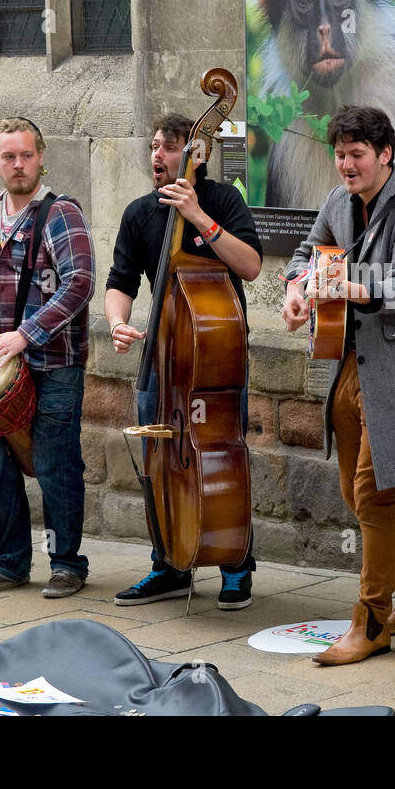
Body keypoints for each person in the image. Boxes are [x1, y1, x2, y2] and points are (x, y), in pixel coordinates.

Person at [281, 105, 395, 666]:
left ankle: (372, 620)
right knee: (356, 494)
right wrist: (296, 286)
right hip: (346, 364)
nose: (346, 165)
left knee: (373, 495)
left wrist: (333, 283)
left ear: (386, 154)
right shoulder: (338, 202)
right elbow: (308, 252)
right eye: (340, 154)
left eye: (357, 155)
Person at [105, 113, 263, 610]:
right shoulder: (139, 213)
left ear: (196, 155)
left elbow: (251, 266)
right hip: (161, 362)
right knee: (159, 466)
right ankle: (167, 562)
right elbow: (120, 281)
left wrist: (198, 217)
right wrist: (118, 323)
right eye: (154, 146)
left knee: (224, 457)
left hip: (213, 367)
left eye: (170, 147)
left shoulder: (221, 201)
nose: (158, 155)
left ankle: (236, 565)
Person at [0, 117, 95, 599]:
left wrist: (25, 335)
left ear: (42, 157)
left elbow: (80, 284)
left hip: (54, 363)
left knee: (55, 465)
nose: (18, 165)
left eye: (27, 155)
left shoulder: (60, 214)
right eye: (9, 156)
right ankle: (9, 562)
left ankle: (67, 563)